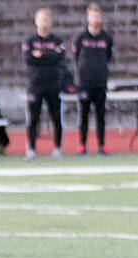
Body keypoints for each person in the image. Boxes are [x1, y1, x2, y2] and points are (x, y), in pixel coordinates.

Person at [23, 7, 65, 161]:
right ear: (36, 21)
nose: (44, 22)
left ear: (51, 22)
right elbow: (29, 59)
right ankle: (31, 149)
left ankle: (58, 148)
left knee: (56, 117)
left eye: (47, 19)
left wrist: (42, 55)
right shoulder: (30, 41)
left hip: (53, 84)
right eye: (41, 19)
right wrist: (50, 55)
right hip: (35, 85)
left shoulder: (57, 40)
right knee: (33, 118)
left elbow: (59, 57)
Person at [74, 3, 112, 155]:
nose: (96, 18)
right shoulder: (81, 38)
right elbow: (77, 57)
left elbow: (108, 56)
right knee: (83, 115)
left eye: (98, 15)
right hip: (84, 84)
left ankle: (101, 145)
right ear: (88, 18)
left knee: (100, 116)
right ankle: (82, 145)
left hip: (100, 83)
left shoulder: (106, 38)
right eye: (93, 16)